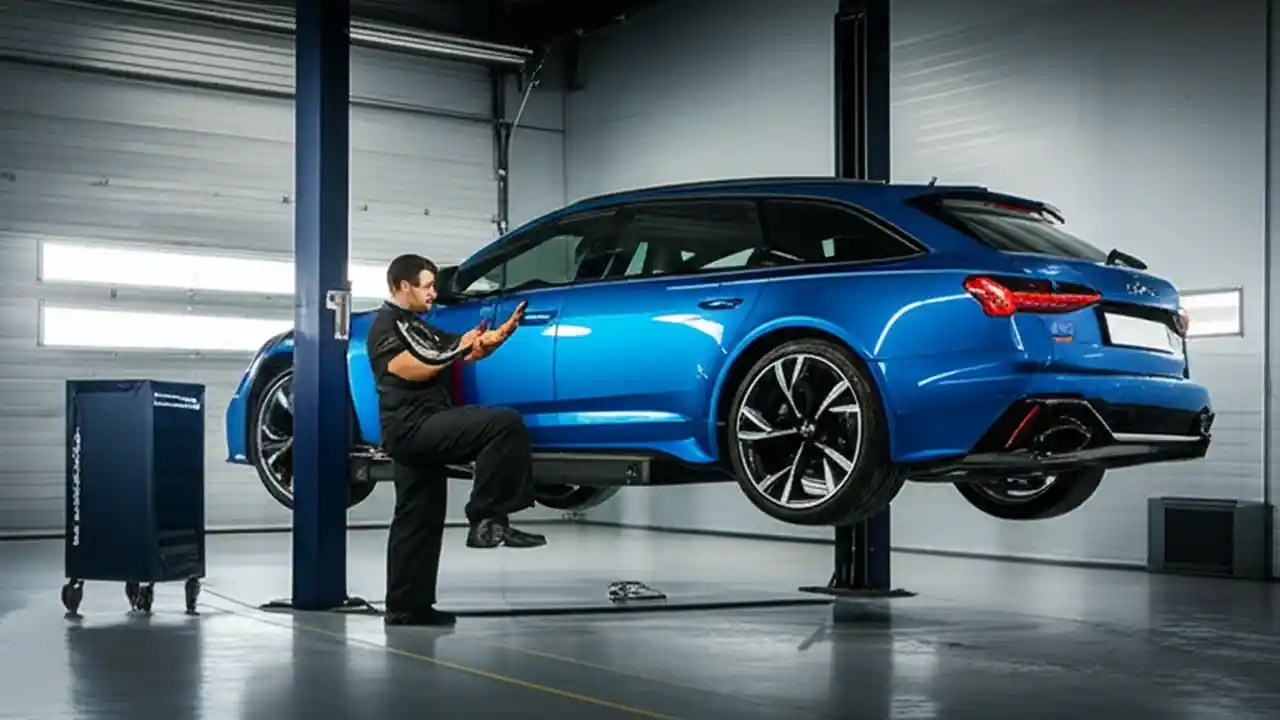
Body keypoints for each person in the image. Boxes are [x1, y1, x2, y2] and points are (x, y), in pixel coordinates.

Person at [367, 253, 545, 627]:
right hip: (413, 427)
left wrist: (497, 337)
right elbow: (409, 368)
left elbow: (466, 349)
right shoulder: (385, 326)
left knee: (418, 519)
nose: (434, 292)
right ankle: (487, 518)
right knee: (504, 424)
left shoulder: (421, 327)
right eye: (428, 285)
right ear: (404, 286)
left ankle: (407, 608)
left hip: (423, 427)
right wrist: (459, 349)